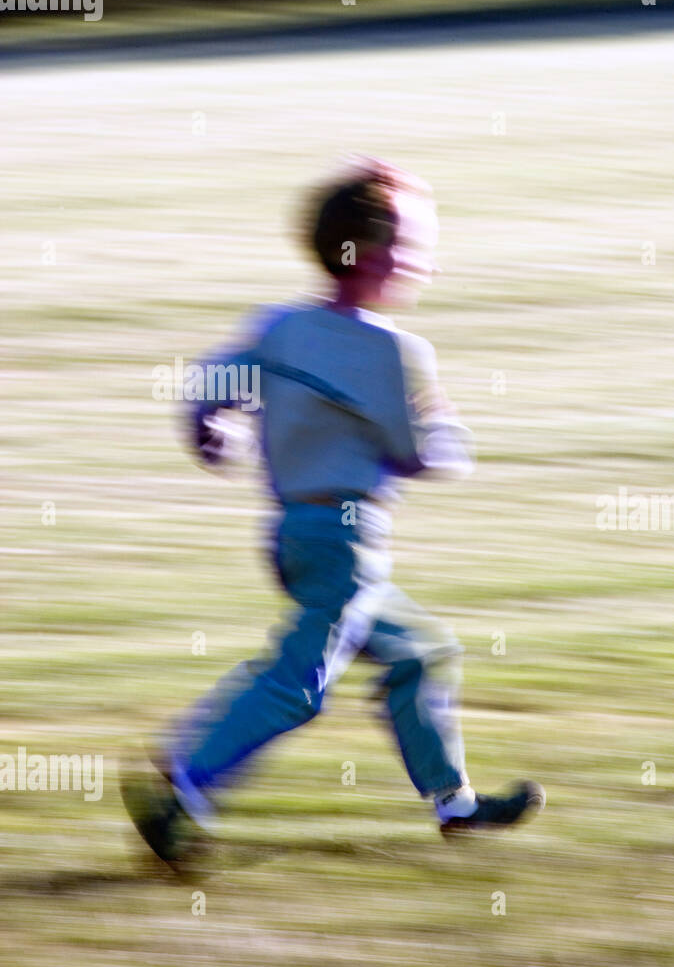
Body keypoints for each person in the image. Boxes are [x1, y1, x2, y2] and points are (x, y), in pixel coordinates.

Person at [124, 160, 543, 869]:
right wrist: (448, 436)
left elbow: (204, 392)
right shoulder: (394, 352)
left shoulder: (280, 327)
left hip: (293, 534)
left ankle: (456, 802)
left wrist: (212, 431)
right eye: (415, 247)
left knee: (421, 652)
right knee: (299, 683)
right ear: (370, 254)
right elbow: (414, 455)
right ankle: (183, 783)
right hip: (349, 541)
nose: (426, 265)